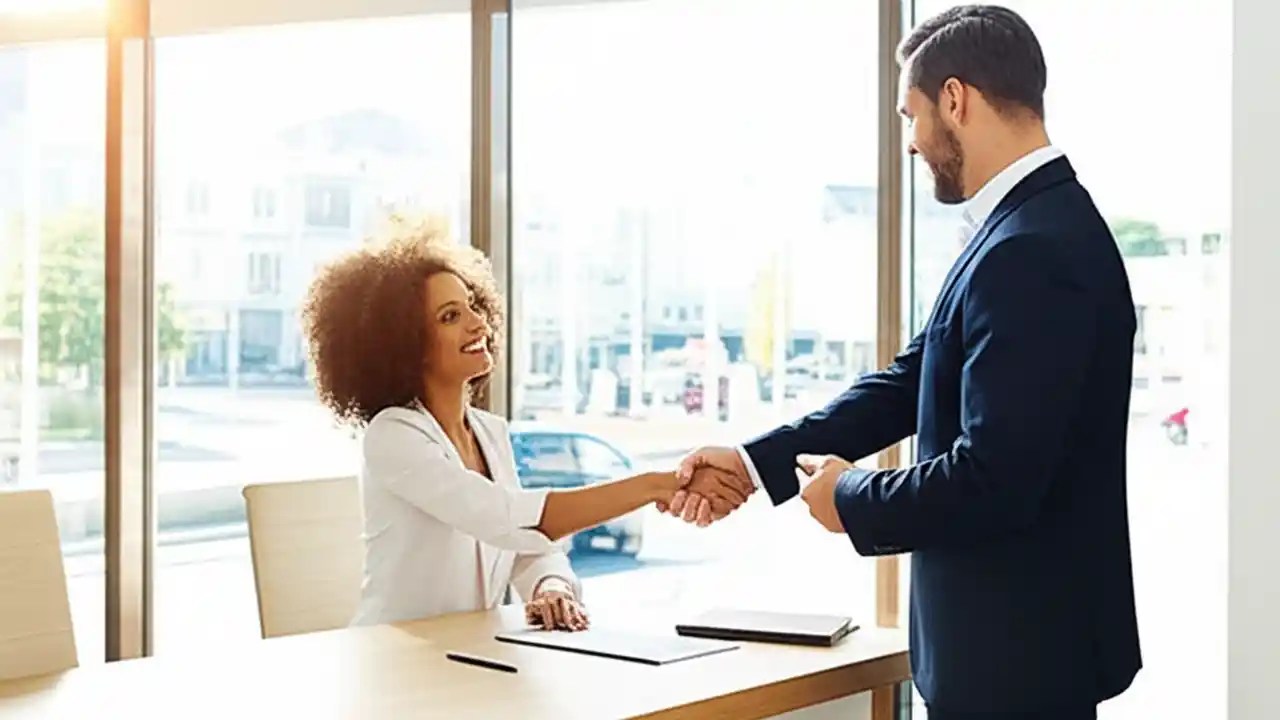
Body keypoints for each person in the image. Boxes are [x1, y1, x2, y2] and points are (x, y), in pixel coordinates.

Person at [669, 5, 1141, 719]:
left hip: (1016, 666)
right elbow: (909, 384)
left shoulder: (1032, 251)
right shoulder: (1024, 230)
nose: (912, 143)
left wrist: (849, 499)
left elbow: (996, 479)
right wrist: (759, 462)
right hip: (1010, 656)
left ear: (955, 100)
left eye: (910, 114)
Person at [301, 215, 751, 631]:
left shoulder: (489, 433)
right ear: (404, 343)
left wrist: (549, 586)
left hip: (472, 652)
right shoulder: (394, 435)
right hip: (397, 662)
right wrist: (656, 484)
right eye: (450, 316)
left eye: (471, 305)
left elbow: (524, 546)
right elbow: (507, 518)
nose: (478, 323)